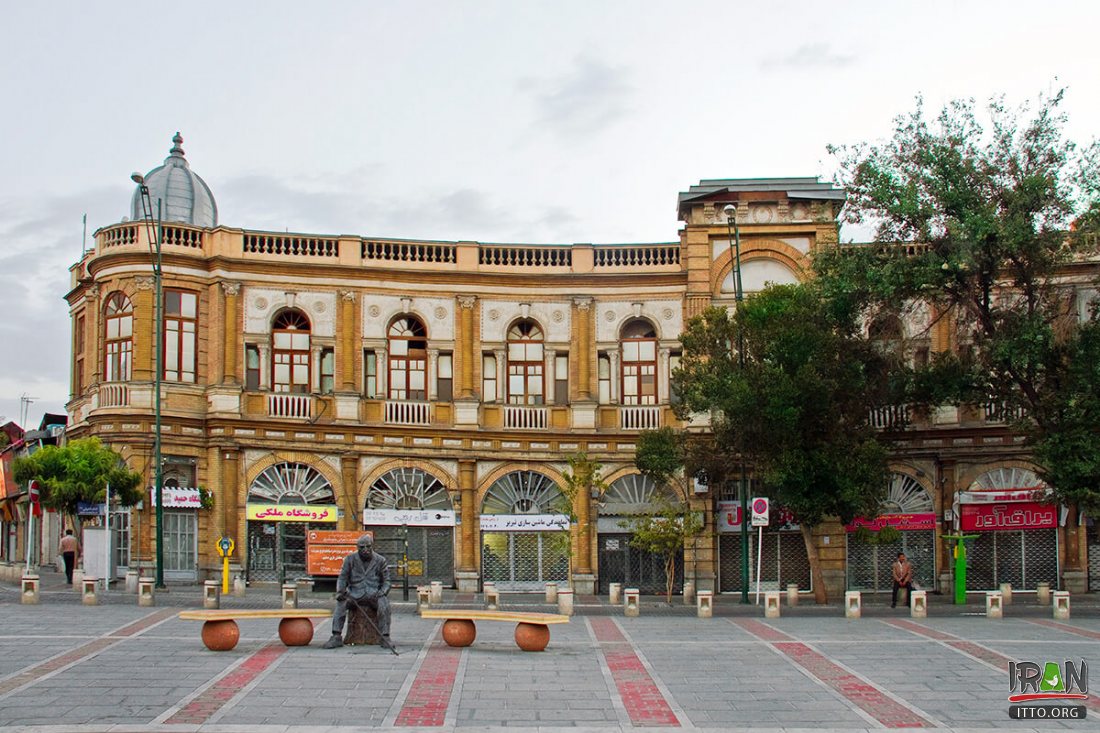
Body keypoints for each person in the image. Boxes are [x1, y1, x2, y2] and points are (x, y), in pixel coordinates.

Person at [323, 534, 391, 649]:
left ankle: (385, 636)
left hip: (373, 594)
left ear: (372, 546)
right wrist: (341, 591)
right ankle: (336, 636)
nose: (365, 550)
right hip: (354, 594)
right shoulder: (350, 559)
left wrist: (383, 591)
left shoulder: (380, 560)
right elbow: (343, 577)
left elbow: (387, 581)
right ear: (357, 548)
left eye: (368, 547)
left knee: (384, 604)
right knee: (341, 604)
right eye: (362, 547)